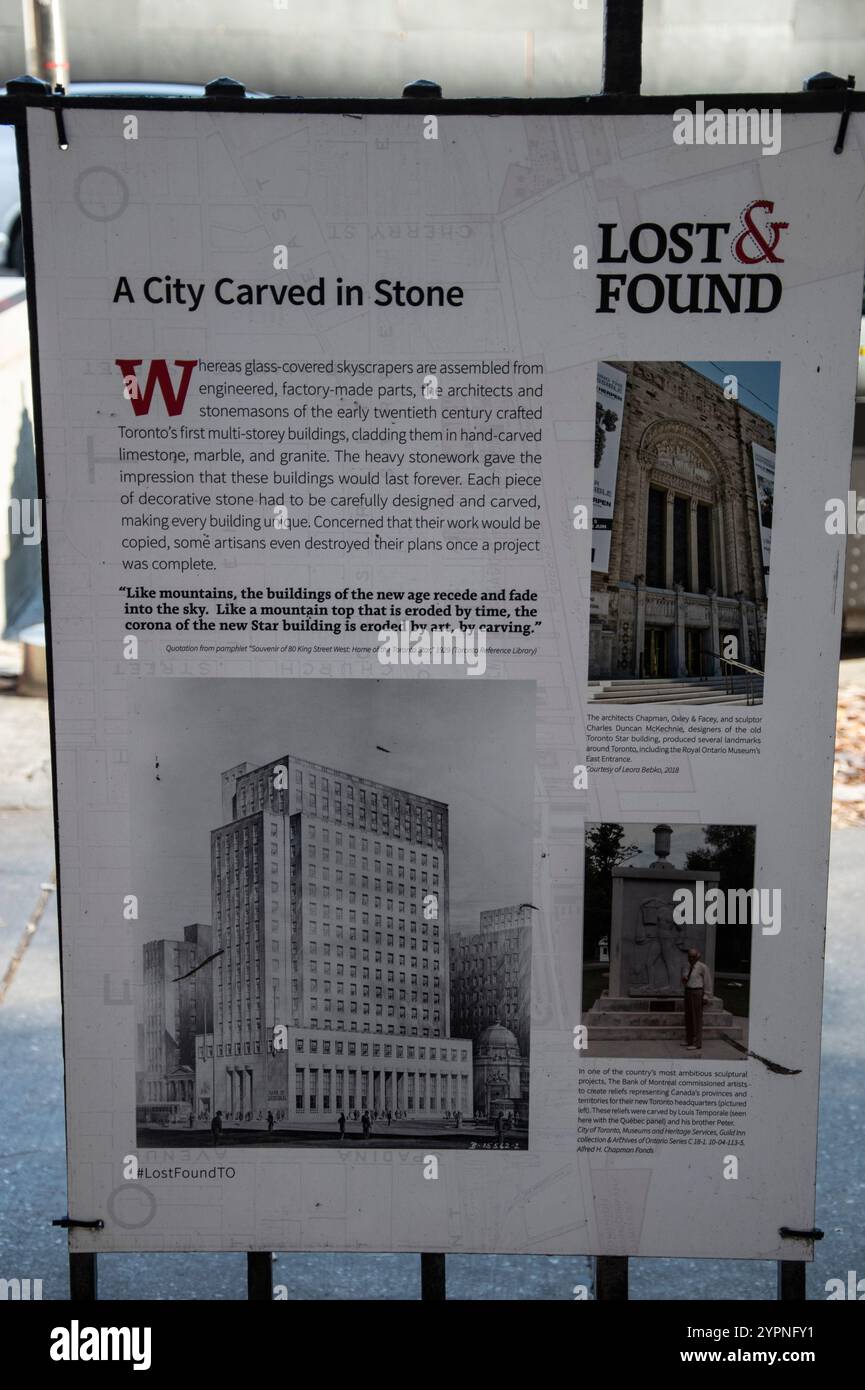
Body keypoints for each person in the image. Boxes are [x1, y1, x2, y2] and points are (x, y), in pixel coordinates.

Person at [681, 948, 712, 1050]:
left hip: (697, 992)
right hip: (688, 991)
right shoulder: (687, 966)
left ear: (697, 956)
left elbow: (707, 982)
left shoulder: (702, 967)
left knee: (696, 1018)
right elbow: (685, 980)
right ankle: (689, 1040)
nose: (690, 958)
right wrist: (684, 979)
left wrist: (706, 995)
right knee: (688, 1017)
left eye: (693, 956)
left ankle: (697, 1043)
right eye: (689, 956)